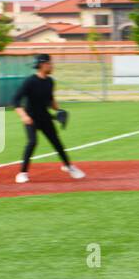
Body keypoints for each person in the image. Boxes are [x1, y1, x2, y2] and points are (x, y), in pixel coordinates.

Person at [12, 53, 84, 182]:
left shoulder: (50, 81)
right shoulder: (30, 81)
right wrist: (23, 116)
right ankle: (22, 173)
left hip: (45, 117)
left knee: (56, 142)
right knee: (32, 142)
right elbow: (15, 100)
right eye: (49, 63)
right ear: (41, 65)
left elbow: (51, 101)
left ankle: (69, 167)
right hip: (31, 118)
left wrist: (60, 110)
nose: (52, 65)